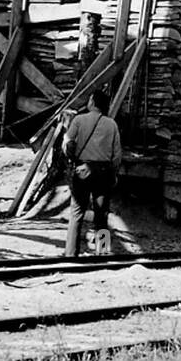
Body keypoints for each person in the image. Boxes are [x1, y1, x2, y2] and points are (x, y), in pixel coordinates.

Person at [62, 89, 122, 257]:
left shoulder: (79, 120)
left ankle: (71, 253)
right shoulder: (112, 124)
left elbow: (67, 143)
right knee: (102, 214)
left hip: (82, 170)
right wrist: (114, 173)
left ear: (93, 102)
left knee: (77, 213)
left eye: (89, 99)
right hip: (103, 172)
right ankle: (102, 253)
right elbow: (117, 155)